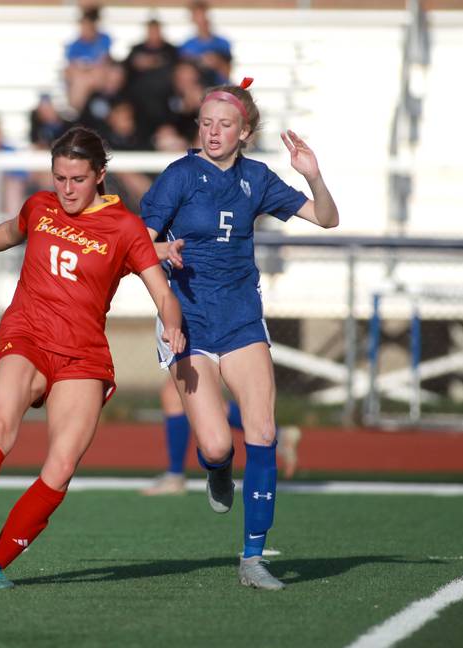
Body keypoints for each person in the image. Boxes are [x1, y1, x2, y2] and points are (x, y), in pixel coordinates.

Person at [0, 126, 185, 590]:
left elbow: (162, 291)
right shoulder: (40, 206)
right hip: (27, 333)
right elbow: (11, 231)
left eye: (77, 179)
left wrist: (172, 323)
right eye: (59, 178)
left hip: (82, 354)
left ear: (99, 176)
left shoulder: (125, 227)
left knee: (62, 464)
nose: (67, 189)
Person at [140, 78, 339, 590]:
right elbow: (135, 244)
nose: (212, 132)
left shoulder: (257, 177)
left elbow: (326, 218)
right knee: (213, 446)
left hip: (241, 318)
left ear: (244, 131)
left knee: (263, 431)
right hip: (188, 321)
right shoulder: (180, 176)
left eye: (224, 124)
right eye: (206, 123)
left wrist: (314, 177)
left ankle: (252, 558)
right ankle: (217, 468)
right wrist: (160, 253)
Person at [142, 376, 302, 495]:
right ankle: (279, 434)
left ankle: (175, 476)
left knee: (180, 392)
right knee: (182, 395)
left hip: (209, 334)